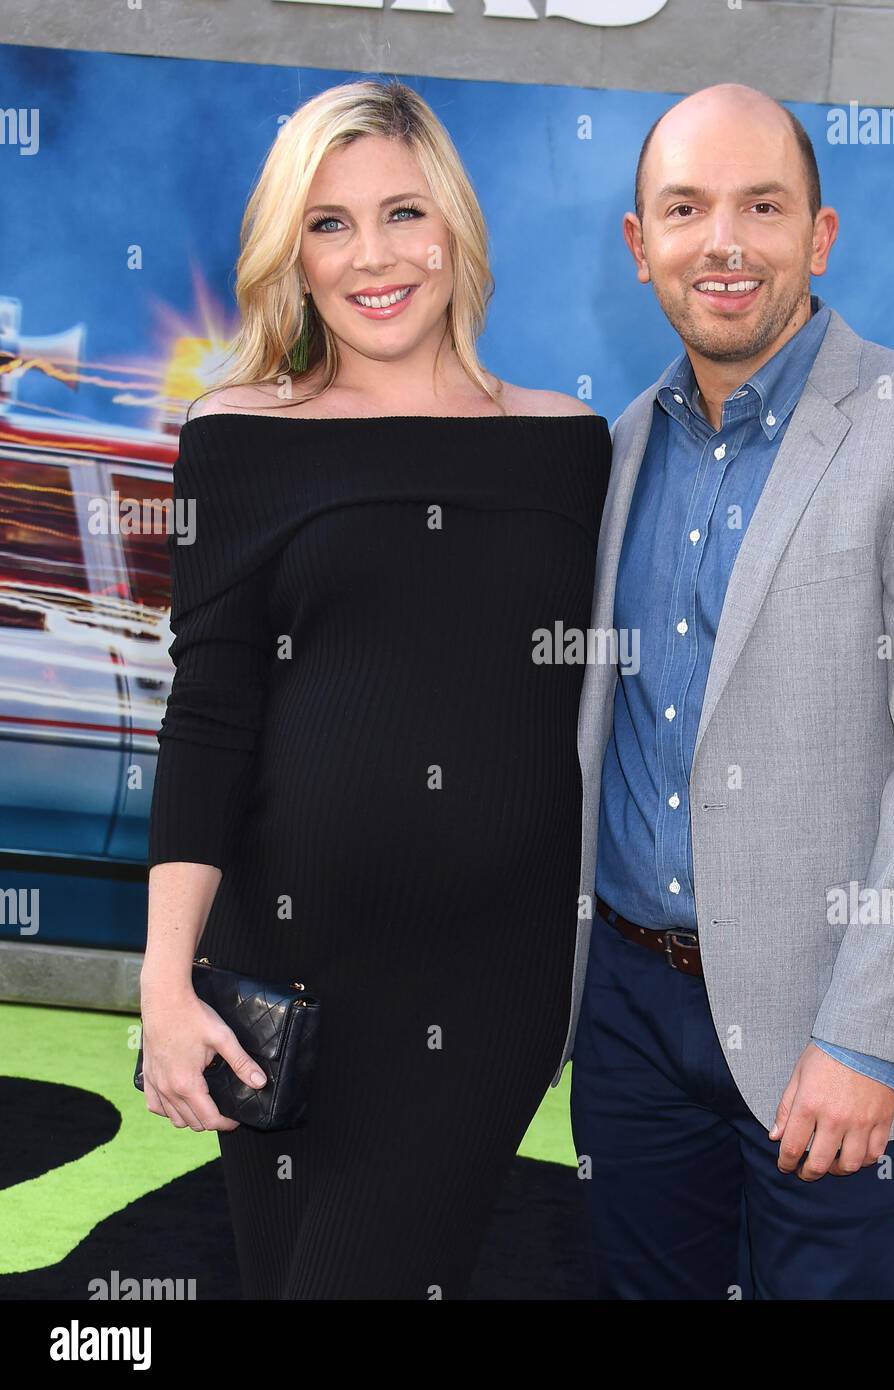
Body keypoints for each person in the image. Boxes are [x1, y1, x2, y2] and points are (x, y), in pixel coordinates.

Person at [138, 78, 611, 1300]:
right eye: (329, 224)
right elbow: (210, 713)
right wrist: (163, 975)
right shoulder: (239, 436)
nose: (373, 257)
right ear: (290, 256)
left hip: (483, 985)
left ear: (454, 224)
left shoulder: (568, 445)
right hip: (275, 977)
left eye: (402, 213)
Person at [562, 84, 894, 1299]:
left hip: (835, 1028)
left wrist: (865, 1035)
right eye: (685, 209)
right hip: (624, 1023)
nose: (723, 241)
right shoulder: (610, 452)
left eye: (760, 207)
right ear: (639, 245)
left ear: (818, 236)